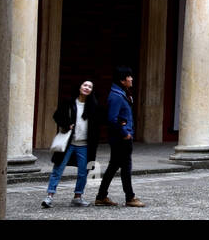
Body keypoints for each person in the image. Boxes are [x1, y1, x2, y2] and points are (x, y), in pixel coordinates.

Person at [41, 79, 99, 208]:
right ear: (79, 87)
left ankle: (78, 197)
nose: (87, 88)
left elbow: (97, 126)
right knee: (58, 169)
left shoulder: (94, 105)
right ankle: (49, 196)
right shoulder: (69, 102)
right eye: (85, 85)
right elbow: (57, 116)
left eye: (90, 86)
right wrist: (66, 124)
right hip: (68, 143)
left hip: (85, 145)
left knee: (84, 171)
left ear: (92, 91)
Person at [95, 66, 144, 207]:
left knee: (113, 167)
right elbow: (112, 118)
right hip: (121, 139)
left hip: (121, 137)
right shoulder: (116, 96)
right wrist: (125, 133)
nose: (132, 79)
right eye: (129, 76)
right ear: (122, 80)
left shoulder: (121, 93)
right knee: (126, 168)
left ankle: (101, 196)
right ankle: (130, 198)